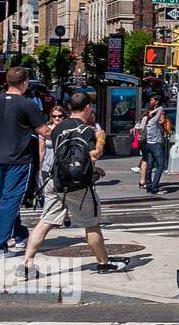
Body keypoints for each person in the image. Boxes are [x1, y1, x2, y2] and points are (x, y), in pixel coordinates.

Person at [18, 92, 125, 279]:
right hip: (78, 186)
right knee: (92, 225)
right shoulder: (87, 130)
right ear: (87, 107)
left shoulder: (58, 128)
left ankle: (27, 262)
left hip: (55, 180)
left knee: (45, 222)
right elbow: (92, 154)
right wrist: (100, 139)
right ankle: (103, 262)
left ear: (69, 108)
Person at [0, 67, 52, 260]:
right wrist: (65, 128)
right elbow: (44, 132)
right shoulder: (27, 105)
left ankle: (19, 233)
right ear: (25, 83)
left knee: (7, 200)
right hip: (19, 159)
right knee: (11, 201)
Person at [135, 97, 171, 194]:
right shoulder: (153, 121)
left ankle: (149, 186)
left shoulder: (145, 121)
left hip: (148, 144)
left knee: (149, 165)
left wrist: (147, 114)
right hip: (156, 145)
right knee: (160, 165)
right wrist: (152, 112)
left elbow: (137, 127)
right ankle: (154, 187)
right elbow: (160, 109)